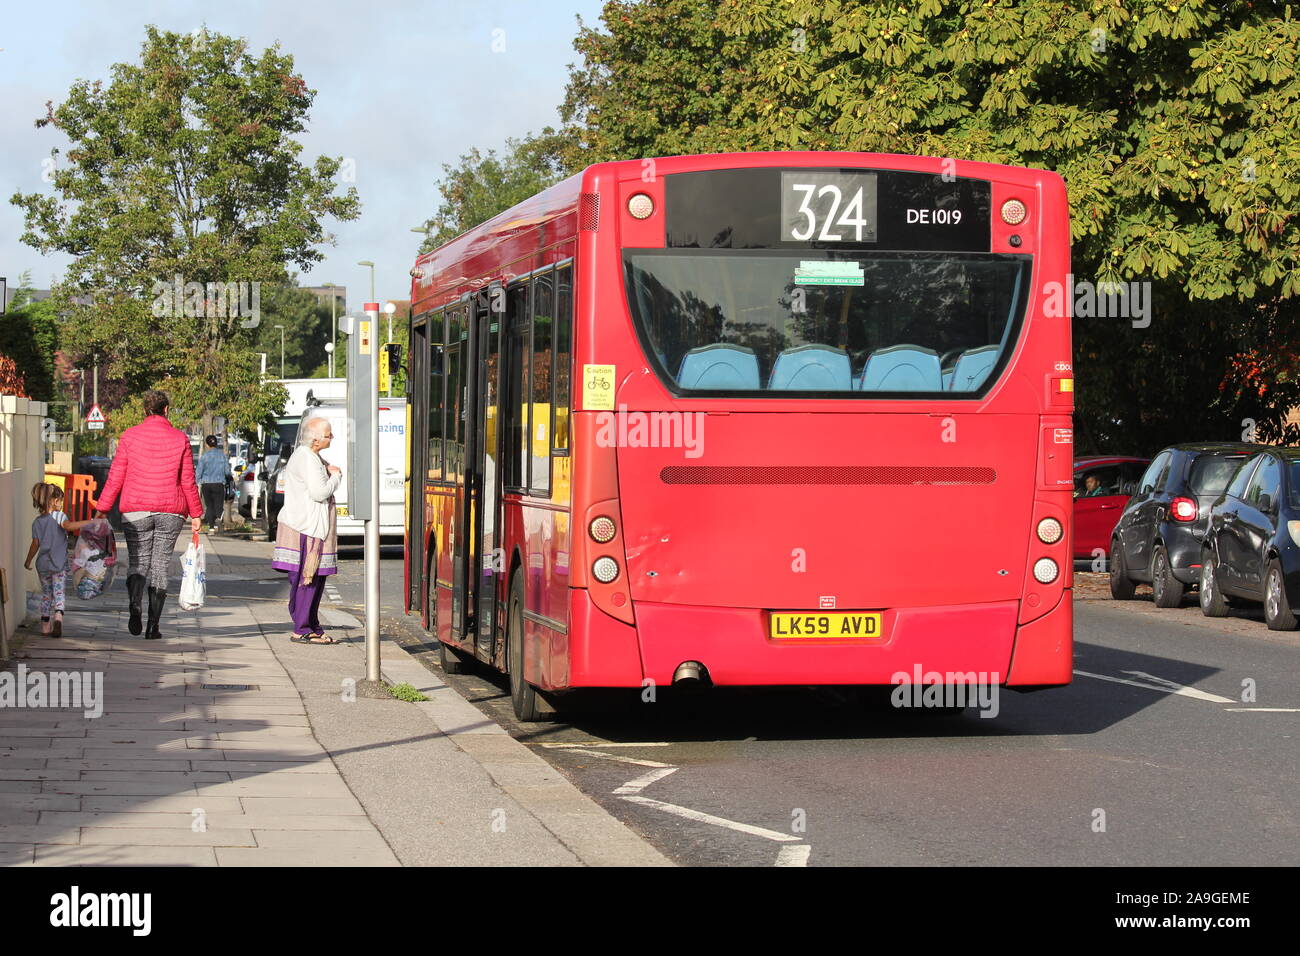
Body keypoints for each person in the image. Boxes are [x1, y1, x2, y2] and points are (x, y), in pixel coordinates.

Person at [92, 389, 203, 639]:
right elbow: (188, 481)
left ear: (145, 411)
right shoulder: (180, 439)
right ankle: (154, 626)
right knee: (160, 566)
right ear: (166, 410)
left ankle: (134, 604)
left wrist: (102, 509)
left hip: (136, 511)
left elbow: (116, 476)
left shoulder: (129, 437)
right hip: (170, 511)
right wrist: (196, 513)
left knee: (138, 562)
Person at [271, 413, 340, 644]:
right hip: (308, 528)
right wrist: (336, 477)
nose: (332, 437)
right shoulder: (307, 458)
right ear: (316, 440)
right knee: (308, 579)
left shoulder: (308, 456)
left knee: (312, 580)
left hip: (307, 525)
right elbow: (319, 492)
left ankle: (311, 625)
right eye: (329, 435)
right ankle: (302, 628)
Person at [25, 483, 97, 637]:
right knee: (59, 593)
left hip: (42, 565)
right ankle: (58, 617)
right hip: (58, 565)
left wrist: (28, 560)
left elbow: (35, 544)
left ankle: (45, 626)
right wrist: (89, 522)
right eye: (60, 500)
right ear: (54, 500)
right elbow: (69, 526)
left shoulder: (37, 522)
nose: (61, 504)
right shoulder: (59, 515)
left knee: (46, 594)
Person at [195, 435, 232, 533]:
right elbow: (227, 472)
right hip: (219, 483)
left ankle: (211, 527)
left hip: (206, 484)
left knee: (209, 505)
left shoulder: (204, 456)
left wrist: (196, 482)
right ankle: (219, 519)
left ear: (207, 444)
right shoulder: (222, 456)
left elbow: (199, 472)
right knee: (218, 504)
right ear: (216, 443)